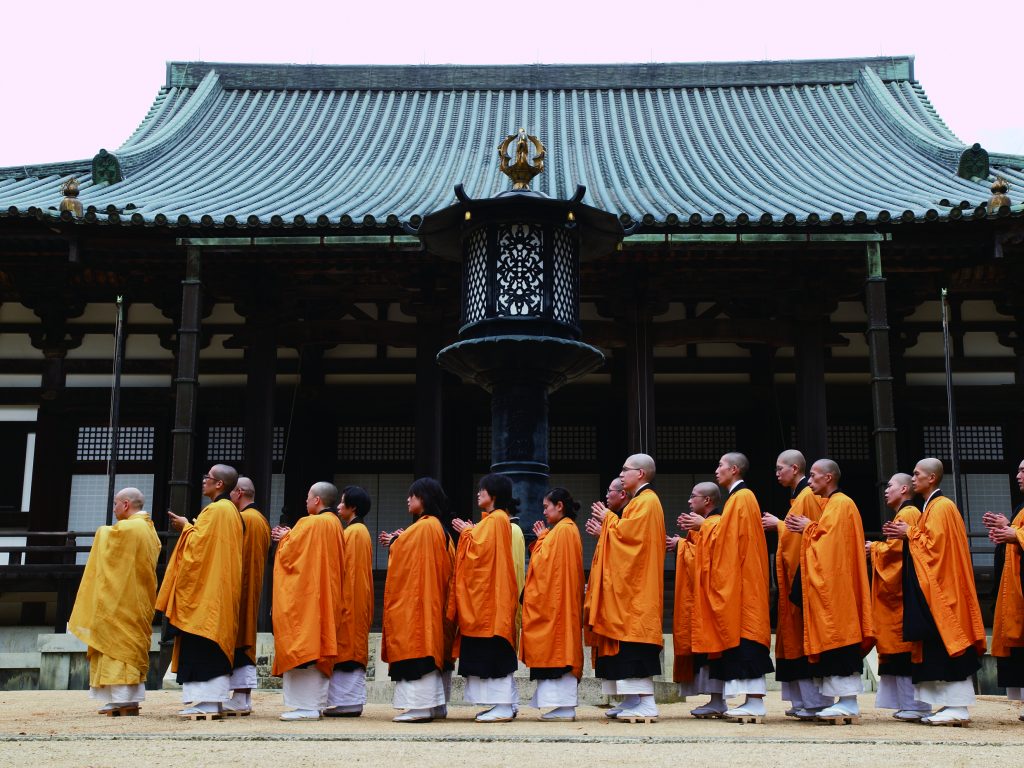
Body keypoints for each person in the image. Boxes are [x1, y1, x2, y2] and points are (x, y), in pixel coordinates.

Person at [882, 458, 986, 726]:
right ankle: (950, 705)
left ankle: (958, 706)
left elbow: (935, 548)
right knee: (936, 648)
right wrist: (910, 533)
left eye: (917, 474)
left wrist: (910, 533)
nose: (913, 478)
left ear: (931, 478)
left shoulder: (942, 507)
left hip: (945, 590)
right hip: (936, 588)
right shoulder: (930, 508)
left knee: (949, 645)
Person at [784, 459, 874, 723]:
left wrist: (807, 528)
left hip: (839, 587)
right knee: (833, 639)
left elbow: (831, 544)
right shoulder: (831, 505)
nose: (809, 481)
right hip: (832, 587)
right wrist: (811, 528)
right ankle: (842, 701)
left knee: (841, 639)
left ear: (829, 477)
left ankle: (848, 702)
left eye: (813, 476)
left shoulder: (841, 504)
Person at [156, 464, 243, 719]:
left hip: (206, 594)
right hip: (218, 590)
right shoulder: (230, 511)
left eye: (209, 477)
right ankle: (211, 701)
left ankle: (206, 701)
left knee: (202, 641)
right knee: (207, 644)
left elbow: (198, 548)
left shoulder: (216, 511)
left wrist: (186, 527)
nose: (204, 480)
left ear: (220, 485)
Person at [692, 452, 773, 722]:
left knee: (747, 637)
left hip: (744, 582)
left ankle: (755, 701)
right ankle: (738, 701)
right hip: (737, 579)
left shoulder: (742, 498)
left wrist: (706, 527)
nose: (717, 470)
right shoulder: (736, 499)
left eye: (721, 466)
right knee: (733, 639)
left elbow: (732, 541)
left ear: (735, 469)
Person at [585, 453, 666, 723]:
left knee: (634, 642)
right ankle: (632, 699)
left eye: (625, 470)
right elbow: (625, 535)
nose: (621, 475)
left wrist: (609, 520)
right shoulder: (638, 503)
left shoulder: (647, 502)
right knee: (624, 643)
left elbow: (631, 540)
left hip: (637, 589)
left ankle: (647, 702)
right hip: (632, 587)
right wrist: (607, 528)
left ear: (640, 473)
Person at [68, 487, 161, 716]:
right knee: (127, 646)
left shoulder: (130, 528)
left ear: (126, 504)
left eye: (116, 504)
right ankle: (127, 700)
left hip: (122, 601)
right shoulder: (149, 528)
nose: (114, 509)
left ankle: (120, 700)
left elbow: (110, 539)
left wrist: (101, 532)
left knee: (116, 646)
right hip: (136, 598)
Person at [760, 450, 830, 718]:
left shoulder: (807, 496)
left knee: (803, 639)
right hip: (794, 578)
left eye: (781, 468)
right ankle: (802, 701)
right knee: (792, 639)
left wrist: (778, 525)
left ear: (795, 468)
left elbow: (809, 535)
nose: (777, 474)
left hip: (802, 578)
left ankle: (814, 702)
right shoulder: (799, 497)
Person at [381, 477, 456, 723]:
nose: (408, 499)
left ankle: (419, 706)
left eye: (412, 495)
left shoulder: (424, 527)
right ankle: (434, 705)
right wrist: (400, 540)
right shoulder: (438, 528)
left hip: (417, 606)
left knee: (417, 649)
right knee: (432, 652)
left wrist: (395, 542)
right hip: (433, 604)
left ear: (423, 499)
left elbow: (404, 556)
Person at [270, 482, 346, 721]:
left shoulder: (310, 523)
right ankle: (314, 704)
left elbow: (291, 556)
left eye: (307, 496)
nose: (305, 501)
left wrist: (284, 537)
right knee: (318, 646)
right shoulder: (335, 524)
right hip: (326, 596)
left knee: (305, 645)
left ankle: (306, 707)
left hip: (308, 600)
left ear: (316, 500)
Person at [449, 473, 520, 723]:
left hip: (490, 603)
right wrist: (471, 531)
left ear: (494, 495)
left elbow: (481, 555)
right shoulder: (490, 521)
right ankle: (504, 704)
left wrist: (468, 533)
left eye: (483, 490)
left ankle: (503, 705)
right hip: (485, 600)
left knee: (495, 653)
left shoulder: (498, 519)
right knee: (488, 654)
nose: (478, 493)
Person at [868, 472, 929, 721]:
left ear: (904, 489)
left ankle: (915, 704)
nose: (886, 489)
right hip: (896, 594)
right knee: (896, 648)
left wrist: (874, 548)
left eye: (890, 485)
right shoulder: (903, 514)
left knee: (904, 647)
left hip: (901, 595)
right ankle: (907, 703)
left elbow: (896, 554)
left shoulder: (908, 514)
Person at [521, 487, 584, 721]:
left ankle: (564, 706)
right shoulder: (560, 531)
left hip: (558, 606)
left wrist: (542, 540)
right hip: (556, 604)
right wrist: (543, 539)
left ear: (560, 506)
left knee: (559, 652)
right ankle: (561, 705)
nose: (544, 511)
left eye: (547, 506)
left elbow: (546, 566)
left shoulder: (564, 531)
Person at [667, 482, 722, 717]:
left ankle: (718, 700)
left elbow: (710, 560)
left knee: (711, 648)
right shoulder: (705, 525)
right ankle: (715, 700)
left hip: (711, 598)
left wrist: (681, 545)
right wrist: (682, 543)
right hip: (698, 597)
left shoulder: (716, 523)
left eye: (693, 497)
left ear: (707, 500)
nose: (689, 501)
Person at [222, 476, 270, 716]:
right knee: (243, 637)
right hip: (250, 586)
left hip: (241, 585)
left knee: (240, 638)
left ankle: (241, 697)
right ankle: (240, 696)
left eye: (231, 492)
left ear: (239, 492)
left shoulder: (247, 519)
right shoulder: (258, 518)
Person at [325, 485, 374, 718]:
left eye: (343, 502)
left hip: (350, 600)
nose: (338, 506)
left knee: (348, 650)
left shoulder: (354, 533)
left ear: (353, 507)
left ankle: (349, 702)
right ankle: (347, 701)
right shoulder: (357, 531)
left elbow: (348, 571)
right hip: (354, 599)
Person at [982, 458, 1024, 716]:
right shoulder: (1020, 507)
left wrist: (1015, 534)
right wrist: (1005, 529)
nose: (1018, 475)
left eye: (1023, 470)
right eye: (1018, 469)